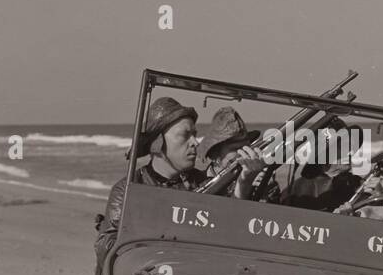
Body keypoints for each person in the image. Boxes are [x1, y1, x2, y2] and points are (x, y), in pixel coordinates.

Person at [94, 96, 207, 259]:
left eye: (195, 134)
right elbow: (106, 246)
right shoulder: (128, 190)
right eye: (185, 135)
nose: (195, 142)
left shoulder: (203, 183)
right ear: (157, 143)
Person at [196, 107, 272, 198]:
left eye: (247, 147)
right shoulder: (196, 184)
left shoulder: (255, 179)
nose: (244, 153)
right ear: (215, 155)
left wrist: (264, 186)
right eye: (236, 148)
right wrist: (245, 183)